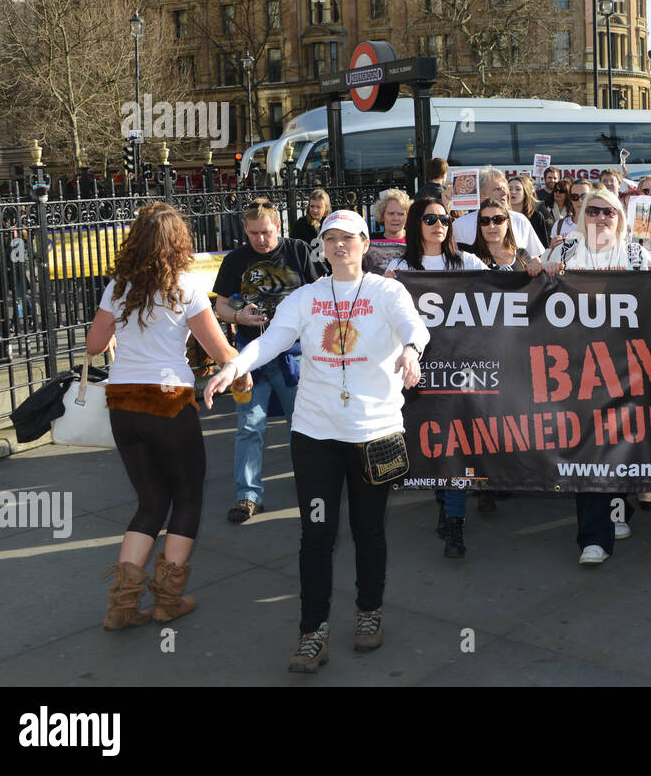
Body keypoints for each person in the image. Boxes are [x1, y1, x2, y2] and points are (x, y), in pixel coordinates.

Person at [204, 209, 428, 672]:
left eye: (348, 238)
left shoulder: (387, 290)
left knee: (369, 531)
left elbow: (415, 328)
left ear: (366, 243)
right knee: (316, 535)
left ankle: (369, 612)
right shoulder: (306, 297)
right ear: (321, 247)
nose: (339, 246)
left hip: (372, 432)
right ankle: (313, 632)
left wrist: (410, 351)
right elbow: (272, 340)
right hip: (315, 433)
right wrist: (234, 365)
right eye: (331, 239)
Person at [88, 202, 250, 630]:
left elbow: (93, 343)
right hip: (168, 399)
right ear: (178, 242)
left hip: (122, 400)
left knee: (149, 501)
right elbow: (219, 352)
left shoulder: (118, 287)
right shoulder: (187, 286)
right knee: (187, 498)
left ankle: (122, 605)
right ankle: (166, 599)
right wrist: (241, 371)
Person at [533, 188, 651, 565]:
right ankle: (593, 537)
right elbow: (529, 287)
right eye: (594, 211)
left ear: (620, 218)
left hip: (626, 366)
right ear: (583, 214)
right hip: (576, 368)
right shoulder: (564, 251)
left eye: (610, 212)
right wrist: (541, 270)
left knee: (620, 443)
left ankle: (618, 508)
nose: (602, 218)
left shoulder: (636, 254)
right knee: (587, 446)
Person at [211, 198, 319, 523]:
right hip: (251, 355)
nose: (260, 239)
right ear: (245, 229)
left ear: (278, 227)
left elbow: (321, 295)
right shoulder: (235, 260)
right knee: (249, 426)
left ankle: (312, 488)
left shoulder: (299, 250)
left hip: (294, 355)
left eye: (266, 232)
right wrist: (238, 317)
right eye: (254, 233)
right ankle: (247, 497)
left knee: (301, 427)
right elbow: (220, 308)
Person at [394, 193, 485, 556]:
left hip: (461, 368)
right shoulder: (401, 268)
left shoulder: (466, 260)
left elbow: (506, 289)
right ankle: (445, 503)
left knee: (456, 442)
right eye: (430, 219)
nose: (439, 226)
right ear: (416, 224)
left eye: (445, 220)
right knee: (430, 440)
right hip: (418, 370)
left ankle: (454, 521)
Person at [451, 168, 546, 260]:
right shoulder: (460, 225)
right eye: (497, 189)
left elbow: (534, 258)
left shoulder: (520, 220)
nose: (504, 193)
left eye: (505, 188)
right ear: (481, 194)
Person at [548, 178, 592, 250]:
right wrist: (552, 248)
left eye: (584, 196)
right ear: (570, 199)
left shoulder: (599, 225)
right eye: (575, 197)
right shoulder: (559, 225)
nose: (580, 201)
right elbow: (550, 258)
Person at [508, 173, 548, 248]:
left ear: (525, 192)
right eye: (510, 189)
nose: (513, 192)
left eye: (518, 189)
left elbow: (543, 246)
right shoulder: (501, 216)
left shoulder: (536, 216)